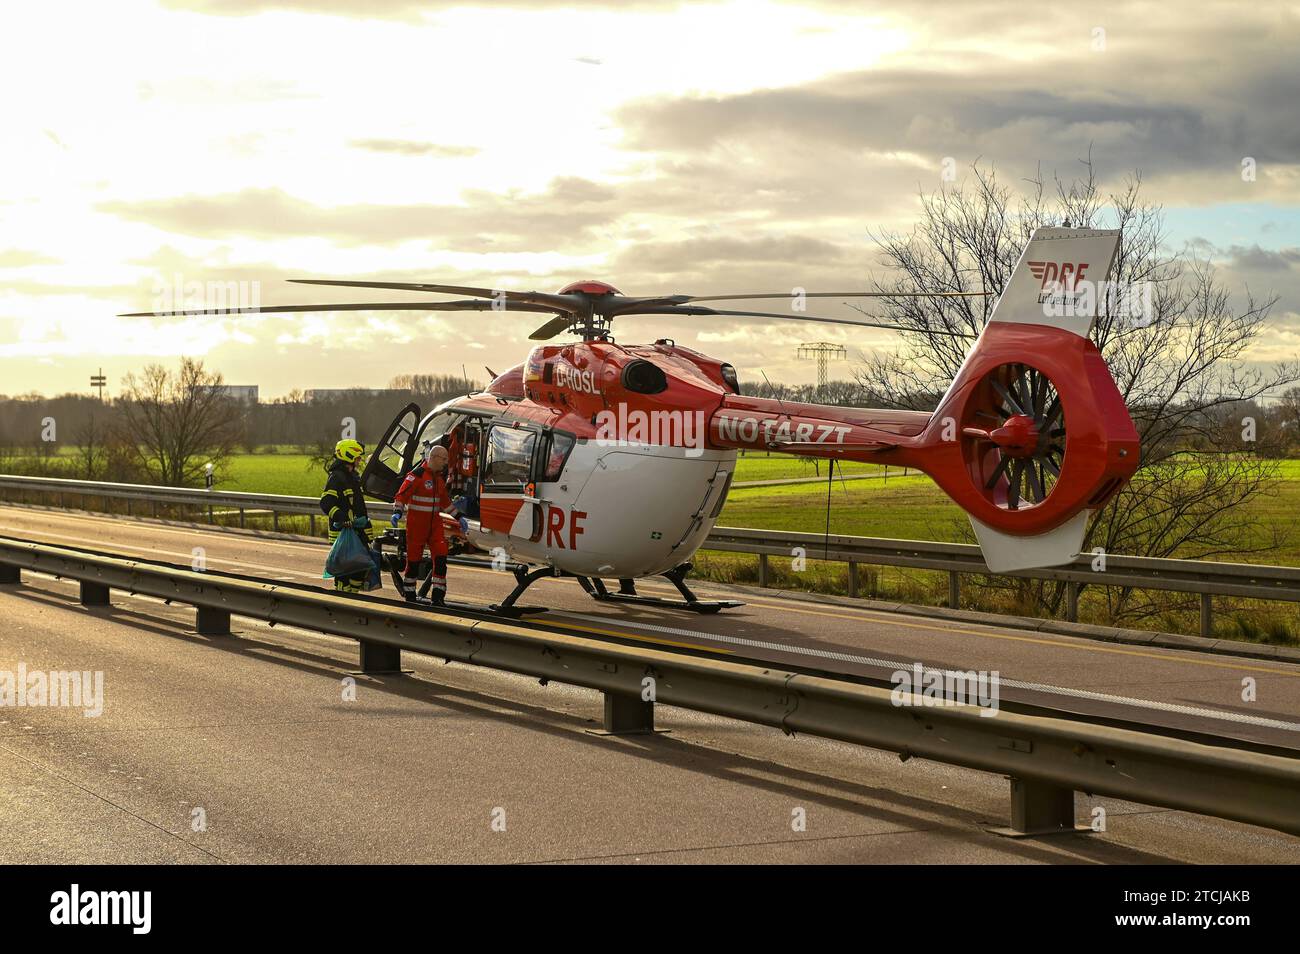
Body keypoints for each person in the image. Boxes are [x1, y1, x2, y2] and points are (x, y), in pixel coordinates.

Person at [392, 442, 457, 604]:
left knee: (441, 558)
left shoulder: (438, 480)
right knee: (413, 561)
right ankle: (410, 594)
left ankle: (438, 596)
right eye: (443, 459)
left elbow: (446, 503)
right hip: (416, 526)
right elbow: (401, 496)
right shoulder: (417, 475)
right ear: (434, 458)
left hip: (435, 526)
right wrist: (397, 512)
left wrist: (459, 517)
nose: (445, 463)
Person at [320, 438, 374, 594]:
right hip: (343, 534)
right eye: (357, 457)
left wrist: (365, 529)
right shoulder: (337, 477)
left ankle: (352, 601)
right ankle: (344, 604)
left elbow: (357, 506)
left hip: (356, 532)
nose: (359, 460)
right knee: (345, 573)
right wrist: (343, 519)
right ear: (349, 456)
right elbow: (326, 503)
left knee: (358, 570)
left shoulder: (351, 477)